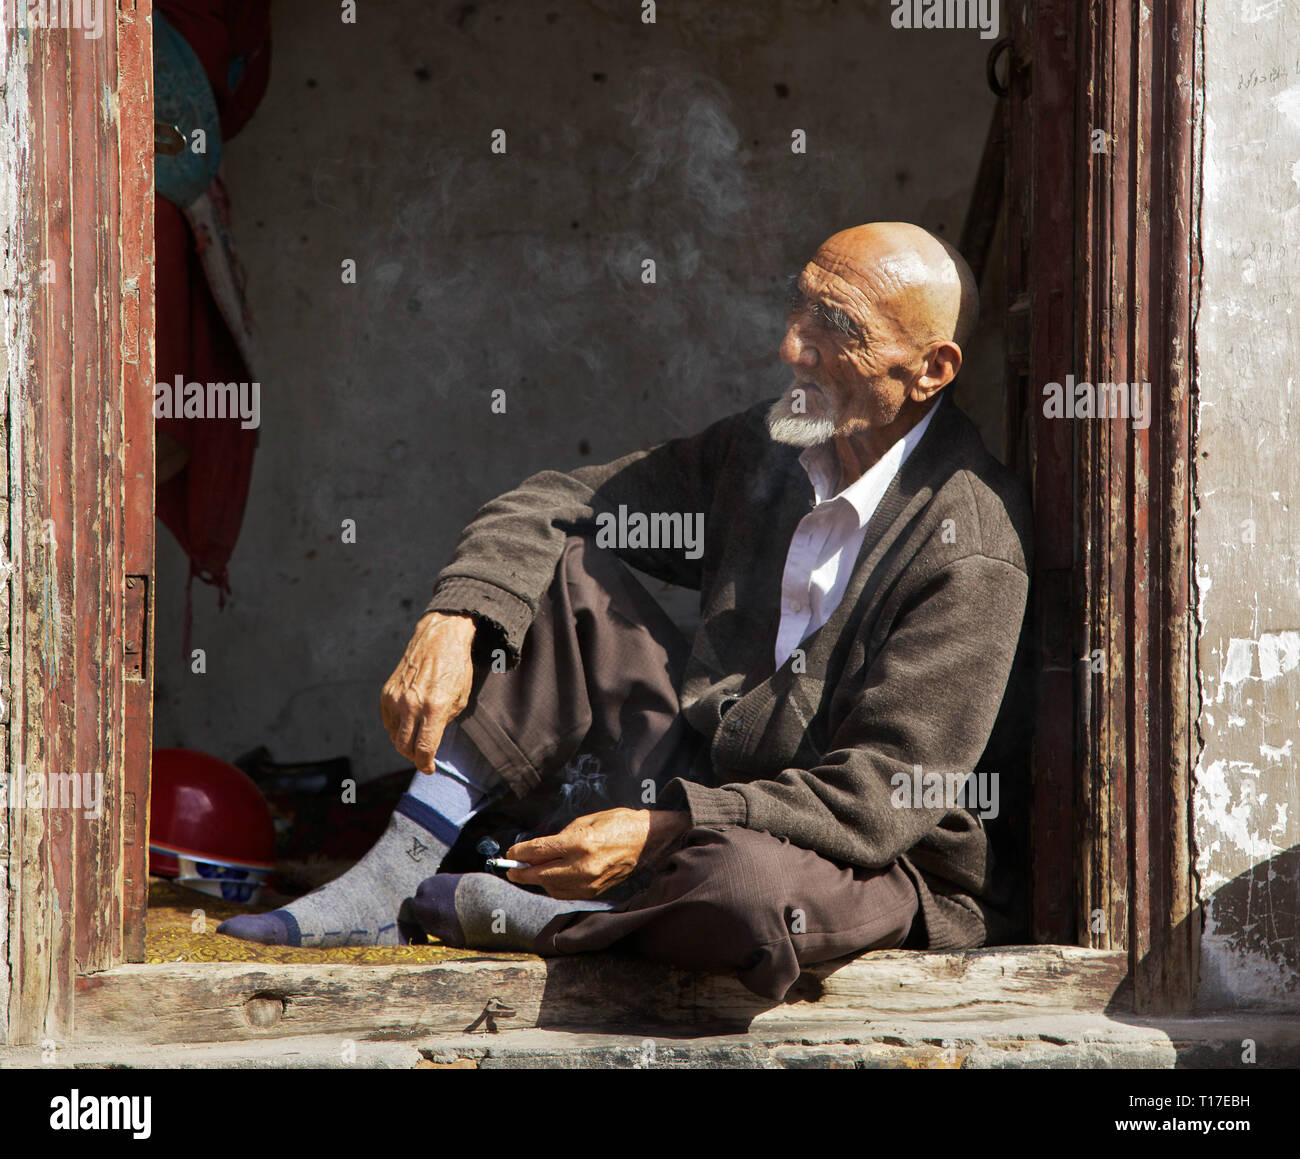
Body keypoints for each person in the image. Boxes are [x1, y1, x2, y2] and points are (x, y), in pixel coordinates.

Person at [220, 222, 1033, 1003]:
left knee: (747, 895)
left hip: (864, 855)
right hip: (713, 785)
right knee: (561, 569)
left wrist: (664, 827)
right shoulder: (773, 445)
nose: (792, 347)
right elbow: (562, 503)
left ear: (931, 369)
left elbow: (879, 796)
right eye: (800, 308)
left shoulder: (969, 545)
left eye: (837, 327)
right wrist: (457, 618)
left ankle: (571, 914)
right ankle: (397, 874)